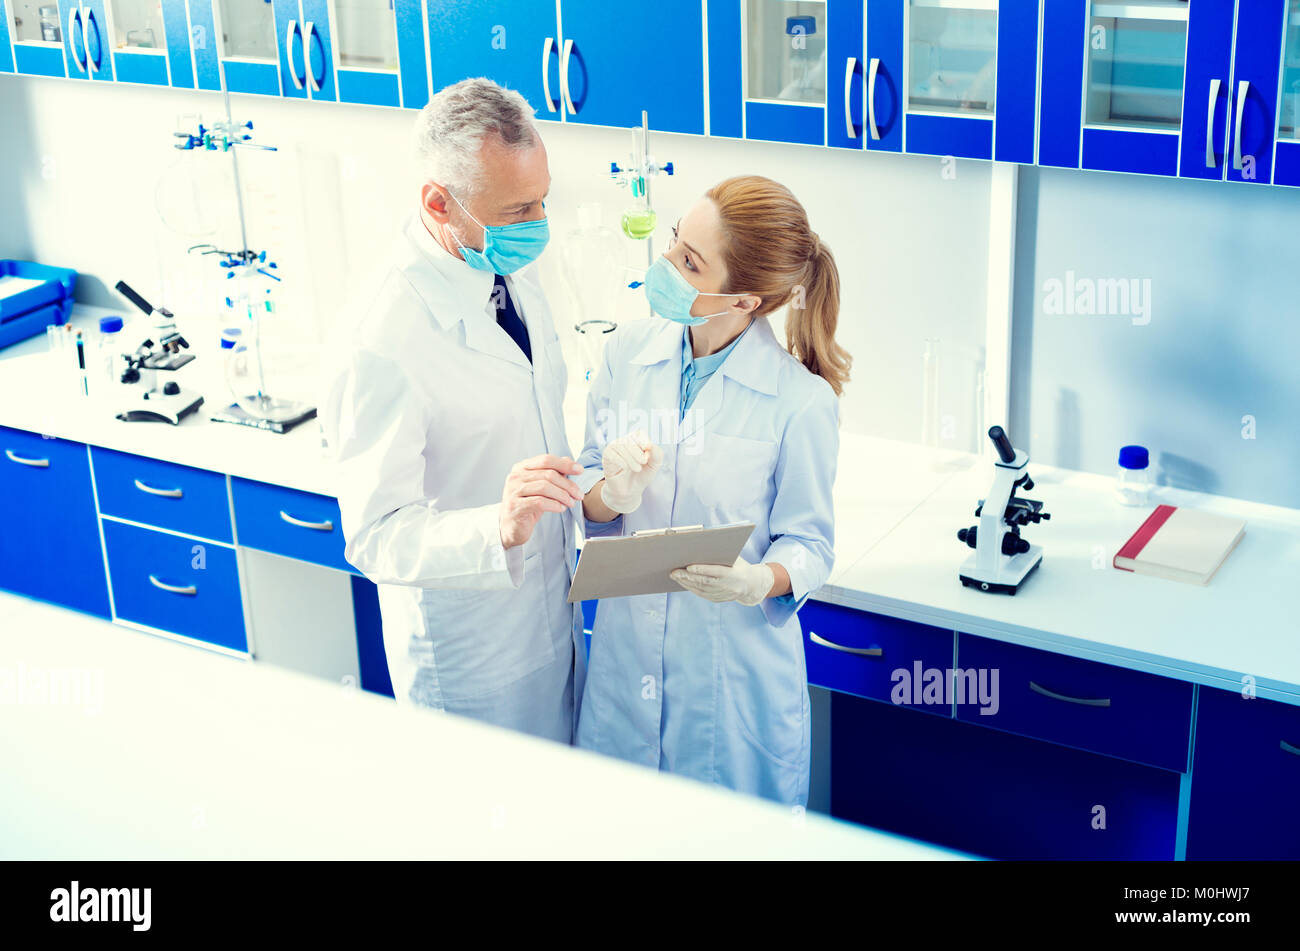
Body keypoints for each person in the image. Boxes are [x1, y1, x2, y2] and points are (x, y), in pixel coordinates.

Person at [318, 78, 585, 743]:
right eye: (519, 211)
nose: (537, 227)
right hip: (472, 659)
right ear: (439, 203)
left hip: (551, 617)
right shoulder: (383, 336)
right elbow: (375, 534)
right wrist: (498, 523)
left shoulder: (501, 268)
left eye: (542, 202)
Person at [572, 175, 850, 807]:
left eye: (689, 263)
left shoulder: (800, 402)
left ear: (745, 301)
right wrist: (607, 494)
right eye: (675, 243)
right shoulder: (625, 354)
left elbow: (809, 541)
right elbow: (586, 479)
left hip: (733, 682)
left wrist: (762, 580)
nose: (663, 266)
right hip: (626, 668)